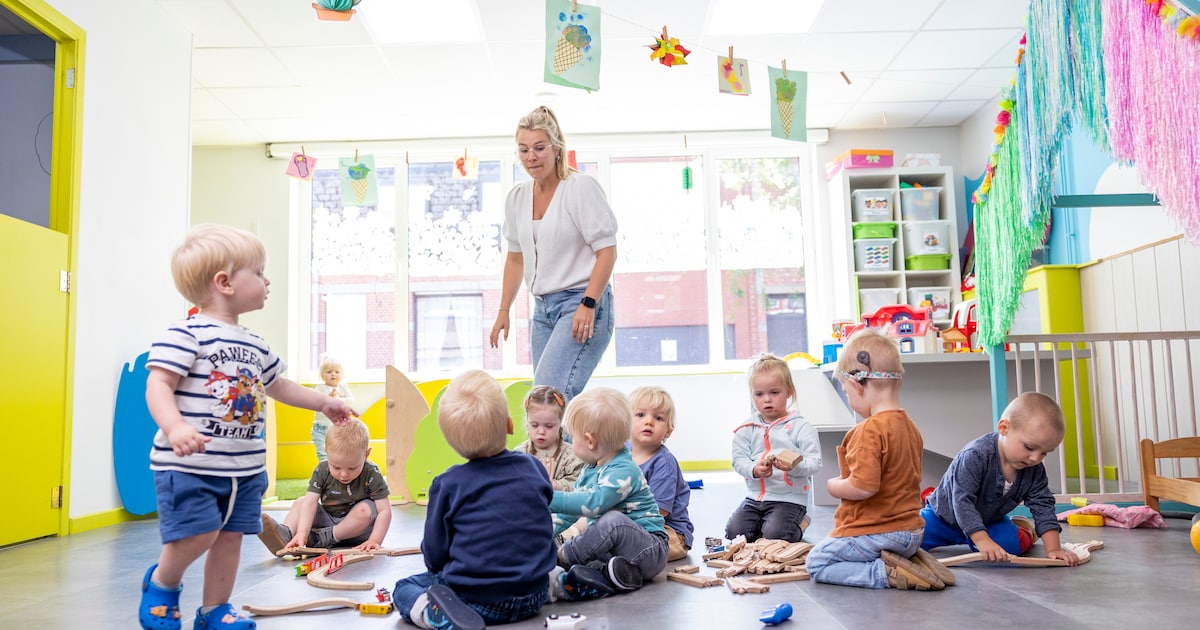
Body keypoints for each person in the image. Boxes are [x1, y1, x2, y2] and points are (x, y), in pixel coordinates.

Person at [139, 224, 355, 630]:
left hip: (243, 469)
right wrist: (174, 426)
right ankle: (163, 583)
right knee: (199, 533)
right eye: (257, 272)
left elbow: (280, 385)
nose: (266, 279)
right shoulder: (186, 334)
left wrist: (324, 401)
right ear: (224, 283)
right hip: (191, 465)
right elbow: (158, 384)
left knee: (230, 537)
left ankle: (215, 609)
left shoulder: (255, 343)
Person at [392, 370, 556, 629]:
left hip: (478, 601)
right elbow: (540, 517)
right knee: (541, 572)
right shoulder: (533, 467)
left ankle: (436, 616)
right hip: (534, 594)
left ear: (451, 442)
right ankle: (561, 585)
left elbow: (434, 557)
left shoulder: (447, 485)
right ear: (510, 425)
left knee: (405, 587)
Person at [804, 329, 955, 591]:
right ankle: (909, 560)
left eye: (846, 393)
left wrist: (835, 485)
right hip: (912, 533)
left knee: (817, 562)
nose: (850, 400)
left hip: (882, 533)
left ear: (856, 385)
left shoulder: (868, 430)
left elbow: (864, 487)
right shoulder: (909, 426)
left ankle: (885, 573)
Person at [489, 106, 618, 401]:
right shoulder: (518, 197)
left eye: (538, 147)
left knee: (550, 399)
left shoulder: (579, 188)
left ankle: (574, 448)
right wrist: (503, 309)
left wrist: (588, 303)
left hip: (581, 301)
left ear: (556, 147)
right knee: (545, 402)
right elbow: (515, 257)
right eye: (523, 150)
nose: (531, 157)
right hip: (543, 309)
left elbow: (607, 252)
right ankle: (565, 449)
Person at [920, 392, 1081, 565]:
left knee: (1012, 545)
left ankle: (1024, 532)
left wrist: (1054, 549)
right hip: (942, 519)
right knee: (907, 537)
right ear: (1004, 428)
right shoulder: (976, 455)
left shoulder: (1034, 469)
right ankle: (930, 501)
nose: (1035, 458)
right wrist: (983, 541)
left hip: (989, 522)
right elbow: (962, 501)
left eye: (1044, 453)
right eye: (1029, 447)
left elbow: (1042, 504)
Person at [548, 388, 668, 602]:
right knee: (595, 549)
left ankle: (564, 557)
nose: (570, 442)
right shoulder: (590, 469)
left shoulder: (623, 470)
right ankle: (616, 576)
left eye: (572, 437)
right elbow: (569, 514)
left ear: (590, 441)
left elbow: (592, 504)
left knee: (611, 521)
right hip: (620, 553)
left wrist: (550, 497)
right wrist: (542, 534)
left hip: (650, 548)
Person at [726, 354, 822, 543]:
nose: (767, 400)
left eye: (774, 392)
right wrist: (754, 469)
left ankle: (801, 523)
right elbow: (739, 461)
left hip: (789, 499)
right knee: (734, 534)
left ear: (789, 392)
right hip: (755, 498)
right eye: (759, 394)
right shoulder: (746, 429)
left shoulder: (801, 427)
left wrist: (794, 467)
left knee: (776, 536)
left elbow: (815, 462)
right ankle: (766, 528)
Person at [257, 419, 390, 553]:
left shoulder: (371, 472)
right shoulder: (322, 470)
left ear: (366, 455)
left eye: (352, 468)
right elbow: (310, 503)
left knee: (365, 510)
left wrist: (374, 540)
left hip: (357, 531)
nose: (344, 474)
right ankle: (288, 536)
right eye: (336, 467)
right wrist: (302, 532)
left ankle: (322, 538)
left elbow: (384, 510)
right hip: (327, 522)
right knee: (301, 502)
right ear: (326, 451)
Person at [628, 385, 694, 561]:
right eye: (640, 415)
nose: (649, 422)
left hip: (668, 530)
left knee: (642, 545)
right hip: (632, 522)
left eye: (658, 418)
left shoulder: (664, 463)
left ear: (668, 431)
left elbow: (659, 511)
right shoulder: (620, 454)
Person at [512, 385, 585, 491]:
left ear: (560, 423)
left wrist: (553, 485)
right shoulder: (520, 454)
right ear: (527, 422)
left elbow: (578, 484)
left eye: (549, 426)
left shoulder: (572, 455)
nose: (541, 431)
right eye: (534, 425)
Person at [311, 355, 355, 462]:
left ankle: (339, 474)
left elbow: (351, 401)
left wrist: (338, 399)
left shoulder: (343, 387)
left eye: (337, 372)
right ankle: (326, 475)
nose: (333, 374)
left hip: (339, 429)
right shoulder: (320, 388)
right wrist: (329, 398)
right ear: (322, 375)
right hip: (320, 429)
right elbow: (317, 405)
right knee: (323, 455)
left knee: (340, 453)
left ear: (342, 375)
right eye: (329, 372)